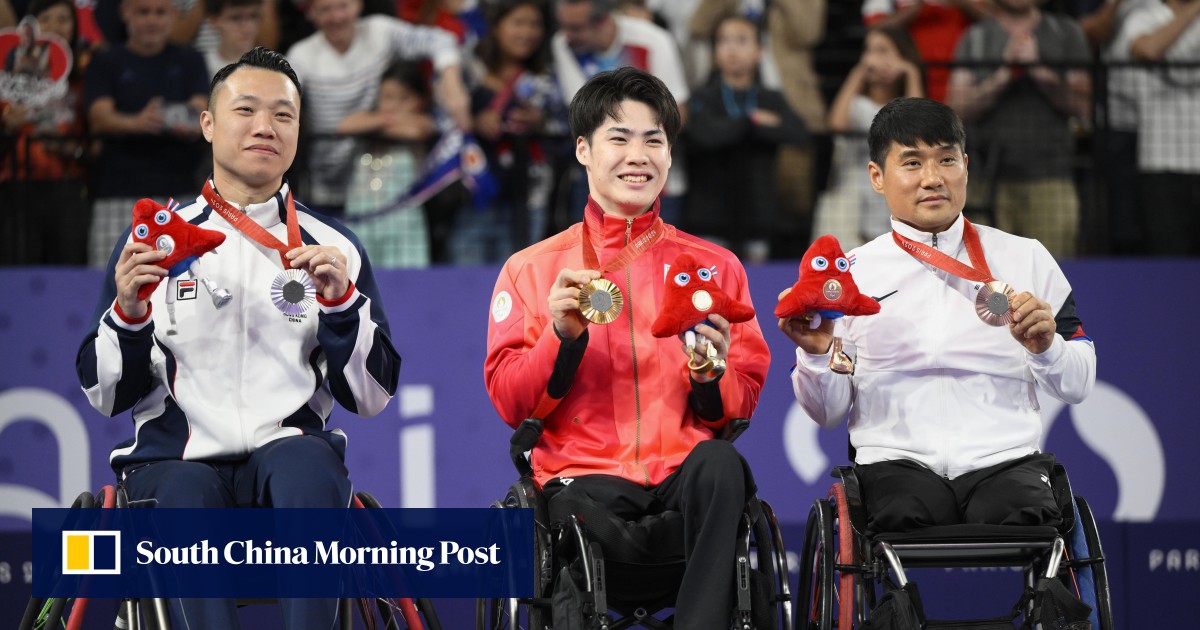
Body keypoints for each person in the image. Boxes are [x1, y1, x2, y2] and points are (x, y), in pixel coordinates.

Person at [76, 47, 401, 628]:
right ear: (207, 123)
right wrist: (126, 313)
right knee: (185, 494)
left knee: (307, 466)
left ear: (299, 131)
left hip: (289, 457)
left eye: (283, 115)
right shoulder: (155, 243)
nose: (264, 127)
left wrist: (341, 303)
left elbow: (371, 398)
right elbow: (106, 396)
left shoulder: (336, 247)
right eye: (245, 109)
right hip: (175, 463)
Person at [484, 66, 770, 629]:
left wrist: (711, 374)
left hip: (683, 486)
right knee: (571, 508)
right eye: (619, 138)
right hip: (586, 491)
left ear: (670, 155)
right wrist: (559, 337)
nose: (638, 155)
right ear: (584, 151)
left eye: (654, 140)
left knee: (722, 463)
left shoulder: (716, 268)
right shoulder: (532, 270)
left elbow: (741, 403)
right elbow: (512, 403)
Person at [782, 97, 1095, 535]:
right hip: (896, 463)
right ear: (877, 176)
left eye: (946, 159)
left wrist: (1048, 349)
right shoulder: (850, 275)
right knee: (902, 512)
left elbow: (1078, 384)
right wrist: (818, 356)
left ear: (965, 166)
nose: (933, 178)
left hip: (1004, 460)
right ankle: (898, 608)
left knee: (1028, 514)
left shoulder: (1026, 257)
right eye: (912, 163)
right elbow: (829, 412)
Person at [285, 0, 470, 214]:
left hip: (378, 180)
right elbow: (284, 98)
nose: (336, 17)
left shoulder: (380, 31)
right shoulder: (301, 56)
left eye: (343, 6)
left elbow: (441, 39)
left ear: (358, 4)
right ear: (311, 13)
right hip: (323, 181)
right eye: (325, 10)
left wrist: (451, 81)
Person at [946, 0, 1091, 257]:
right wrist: (1004, 74)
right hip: (985, 179)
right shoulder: (977, 37)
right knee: (987, 283)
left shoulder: (1065, 32)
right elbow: (956, 109)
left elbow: (1083, 105)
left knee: (1052, 275)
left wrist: (1039, 69)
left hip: (1051, 179)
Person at [83, 0, 209, 267]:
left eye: (160, 12)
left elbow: (202, 111)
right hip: (117, 195)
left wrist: (186, 123)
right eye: (143, 12)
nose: (152, 20)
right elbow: (98, 116)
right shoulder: (106, 61)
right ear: (126, 13)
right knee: (110, 274)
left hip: (179, 192)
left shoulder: (190, 59)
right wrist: (140, 122)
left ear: (173, 15)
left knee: (186, 278)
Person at [684, 14, 808, 263]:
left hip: (758, 216)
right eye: (723, 41)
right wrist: (753, 122)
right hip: (710, 215)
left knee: (753, 291)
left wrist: (736, 127)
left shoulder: (770, 97)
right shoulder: (703, 96)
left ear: (759, 51)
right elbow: (703, 135)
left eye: (741, 40)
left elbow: (800, 133)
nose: (731, 48)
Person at [461, 0, 567, 263]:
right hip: (475, 193)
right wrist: (473, 120)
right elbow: (440, 116)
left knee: (522, 281)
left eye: (535, 24)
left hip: (529, 196)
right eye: (518, 23)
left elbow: (571, 123)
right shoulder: (468, 68)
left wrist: (540, 121)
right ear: (496, 27)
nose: (527, 33)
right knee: (466, 282)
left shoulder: (546, 75)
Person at [814, 24, 924, 249]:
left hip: (894, 194)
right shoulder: (858, 103)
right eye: (869, 50)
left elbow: (919, 129)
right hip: (852, 196)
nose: (872, 59)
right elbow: (836, 123)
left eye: (882, 51)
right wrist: (857, 74)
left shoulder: (906, 103)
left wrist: (911, 72)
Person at [1111, 0, 1200, 255]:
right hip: (1161, 162)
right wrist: (1194, 9)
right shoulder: (1144, 16)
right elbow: (1148, 49)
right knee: (1171, 256)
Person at [342, 60, 437, 267]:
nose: (393, 105)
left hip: (403, 226)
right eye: (387, 97)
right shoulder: (369, 123)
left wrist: (376, 124)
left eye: (404, 98)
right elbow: (344, 126)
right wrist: (386, 121)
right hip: (362, 220)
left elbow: (415, 131)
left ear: (421, 100)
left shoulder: (424, 123)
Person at [863, 0, 991, 103]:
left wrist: (962, 3)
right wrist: (917, 6)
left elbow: (995, 20)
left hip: (960, 76)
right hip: (912, 73)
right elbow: (875, 28)